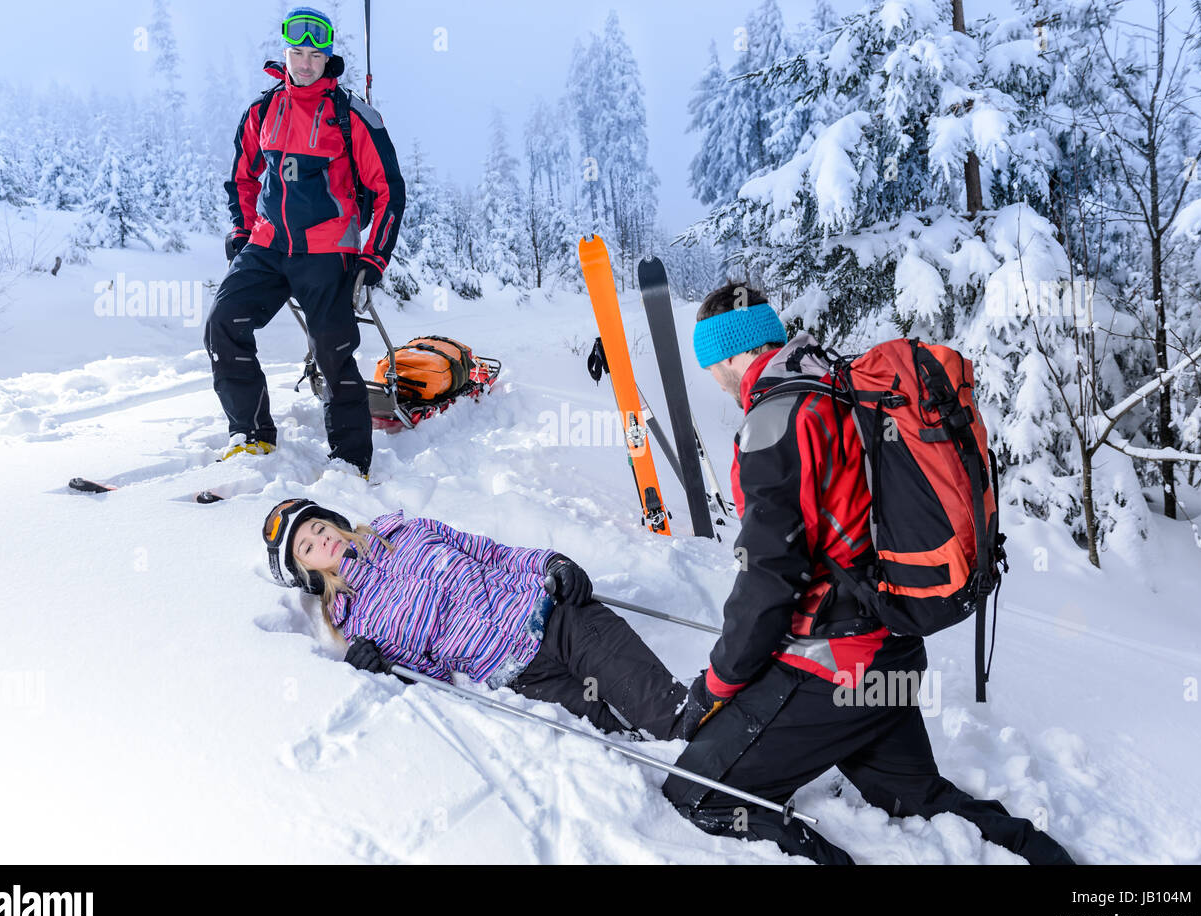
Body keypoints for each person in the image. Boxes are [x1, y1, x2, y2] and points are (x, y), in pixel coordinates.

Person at [662, 281, 1076, 865]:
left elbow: (767, 580)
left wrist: (717, 685)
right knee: (919, 799)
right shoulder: (837, 383)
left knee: (699, 793)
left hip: (836, 669)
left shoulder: (774, 420)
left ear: (731, 352)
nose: (715, 380)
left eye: (712, 365)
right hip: (892, 656)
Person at [262, 498, 689, 740]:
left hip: (557, 620)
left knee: (666, 712)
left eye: (319, 528)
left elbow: (494, 554)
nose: (322, 540)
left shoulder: (407, 532)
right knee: (625, 748)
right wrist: (382, 673)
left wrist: (552, 563)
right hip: (523, 679)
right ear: (307, 571)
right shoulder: (355, 621)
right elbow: (433, 677)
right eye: (307, 546)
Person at [204, 6, 406, 478]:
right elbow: (242, 179)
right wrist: (242, 230)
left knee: (333, 350)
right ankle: (251, 435)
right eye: (298, 52)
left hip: (327, 252)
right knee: (223, 324)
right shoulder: (262, 110)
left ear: (329, 56)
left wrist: (373, 258)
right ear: (285, 54)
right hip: (268, 247)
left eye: (316, 54)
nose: (306, 62)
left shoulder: (352, 116)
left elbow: (388, 192)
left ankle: (350, 459)